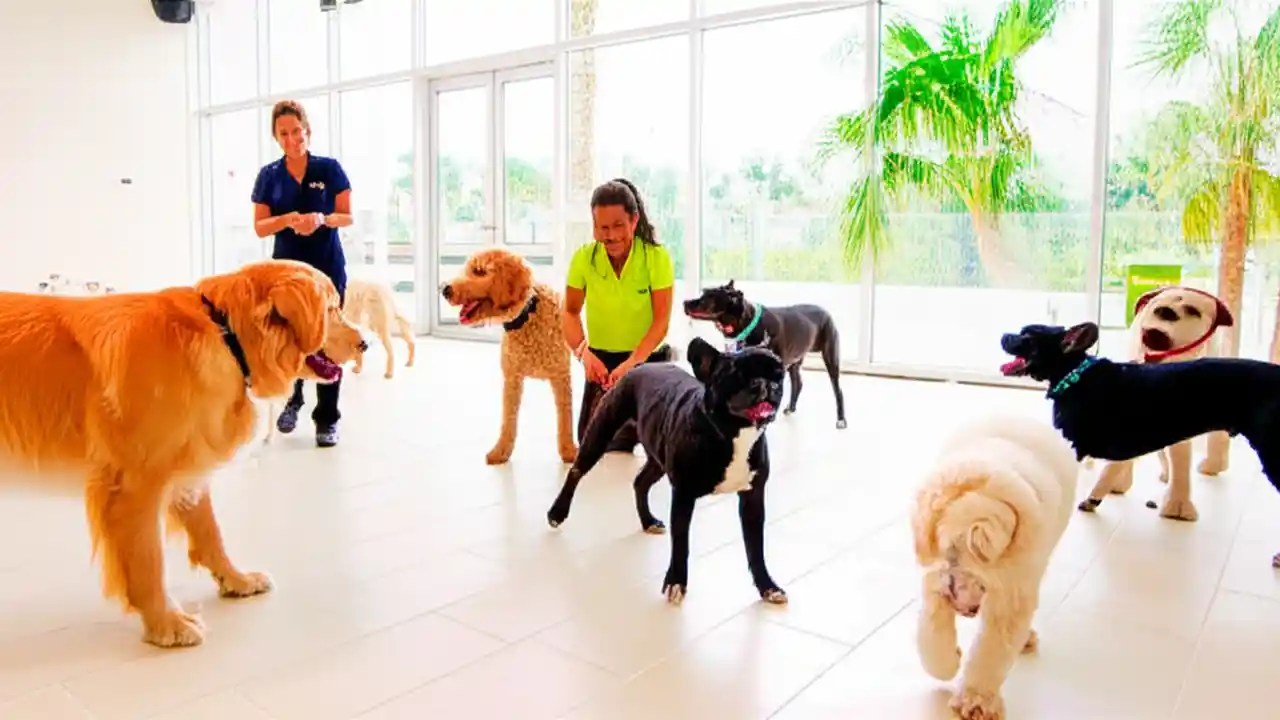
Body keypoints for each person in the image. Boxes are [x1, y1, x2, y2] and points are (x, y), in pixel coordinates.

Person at [251, 99, 354, 448]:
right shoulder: (269, 176)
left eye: (297, 131)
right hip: (287, 274)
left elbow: (346, 216)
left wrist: (321, 219)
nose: (293, 138)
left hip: (327, 270)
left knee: (328, 340)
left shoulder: (329, 169)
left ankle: (327, 418)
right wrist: (289, 219)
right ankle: (292, 399)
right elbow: (261, 227)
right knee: (290, 338)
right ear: (276, 137)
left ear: (307, 130)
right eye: (285, 133)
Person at [563, 178, 675, 451]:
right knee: (593, 442)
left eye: (617, 226)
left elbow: (661, 320)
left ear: (634, 221)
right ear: (594, 226)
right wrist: (583, 353)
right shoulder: (583, 258)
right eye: (602, 227)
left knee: (660, 444)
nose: (610, 235)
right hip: (604, 365)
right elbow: (569, 311)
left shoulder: (656, 258)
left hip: (646, 361)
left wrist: (635, 361)